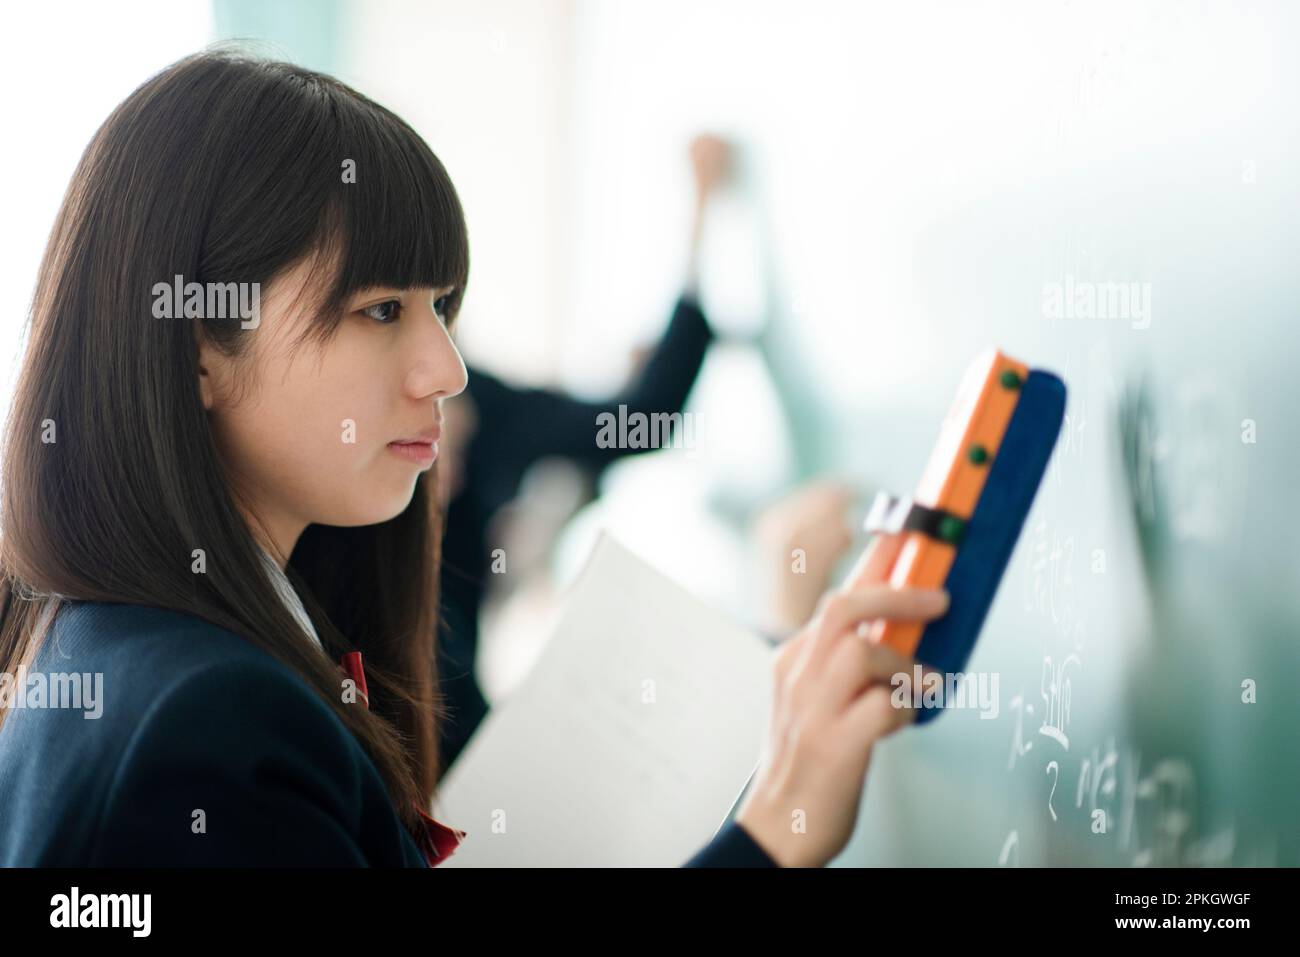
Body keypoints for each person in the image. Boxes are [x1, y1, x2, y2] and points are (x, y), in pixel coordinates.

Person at [0, 51, 948, 868]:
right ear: (199, 344)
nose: (444, 370)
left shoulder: (120, 642)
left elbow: (642, 412)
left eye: (440, 307)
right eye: (380, 310)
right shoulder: (207, 730)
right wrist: (776, 835)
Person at [436, 135, 730, 769]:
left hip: (460, 738)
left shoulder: (477, 398)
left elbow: (639, 420)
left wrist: (702, 211)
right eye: (381, 312)